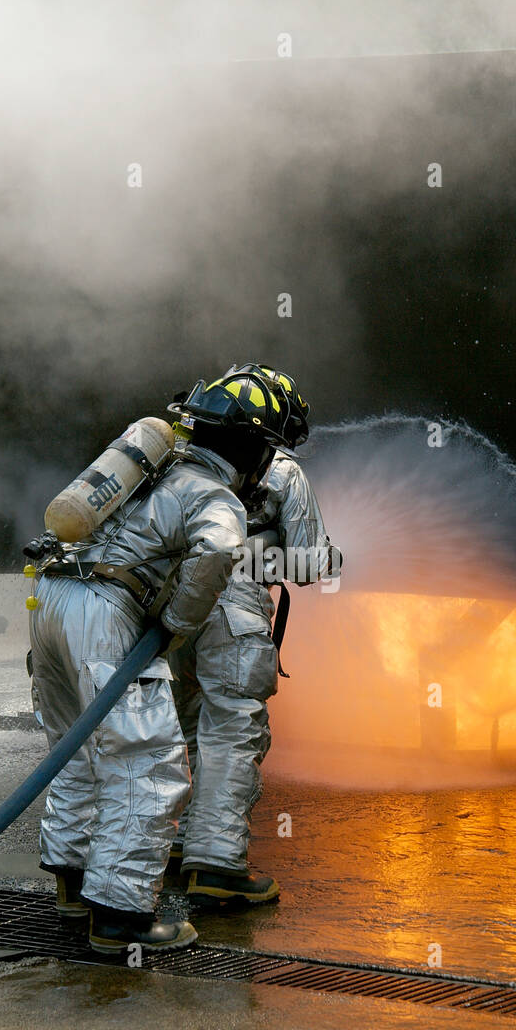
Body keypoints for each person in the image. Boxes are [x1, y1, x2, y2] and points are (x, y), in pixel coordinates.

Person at [28, 372, 289, 954]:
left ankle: (74, 881)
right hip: (106, 614)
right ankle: (120, 916)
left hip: (49, 596)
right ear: (253, 448)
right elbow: (220, 550)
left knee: (77, 747)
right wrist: (176, 625)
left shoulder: (150, 468)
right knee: (146, 762)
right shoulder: (214, 493)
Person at [168, 364, 339, 904]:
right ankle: (216, 866)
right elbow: (312, 565)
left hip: (172, 607)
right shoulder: (283, 471)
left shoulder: (180, 456)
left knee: (191, 728)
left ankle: (185, 844)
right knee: (233, 734)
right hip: (234, 614)